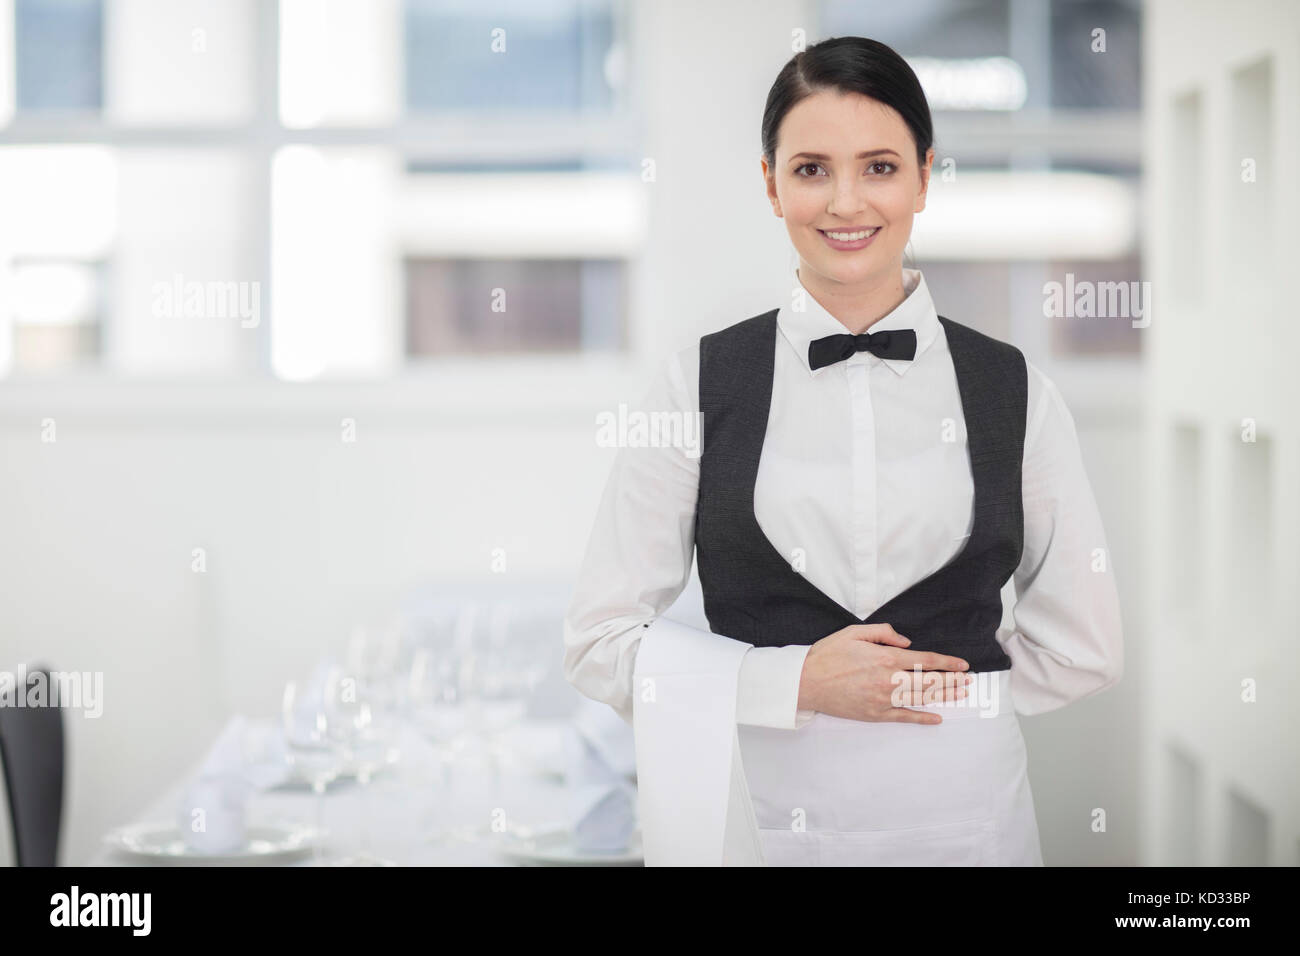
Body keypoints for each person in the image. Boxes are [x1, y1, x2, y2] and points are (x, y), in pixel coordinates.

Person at [562, 35, 1123, 866]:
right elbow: (598, 640)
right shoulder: (695, 386)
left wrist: (948, 695)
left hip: (964, 825)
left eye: (881, 167)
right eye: (812, 168)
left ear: (926, 177)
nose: (846, 202)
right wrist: (794, 684)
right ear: (770, 183)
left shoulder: (1016, 390)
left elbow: (1087, 644)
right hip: (762, 822)